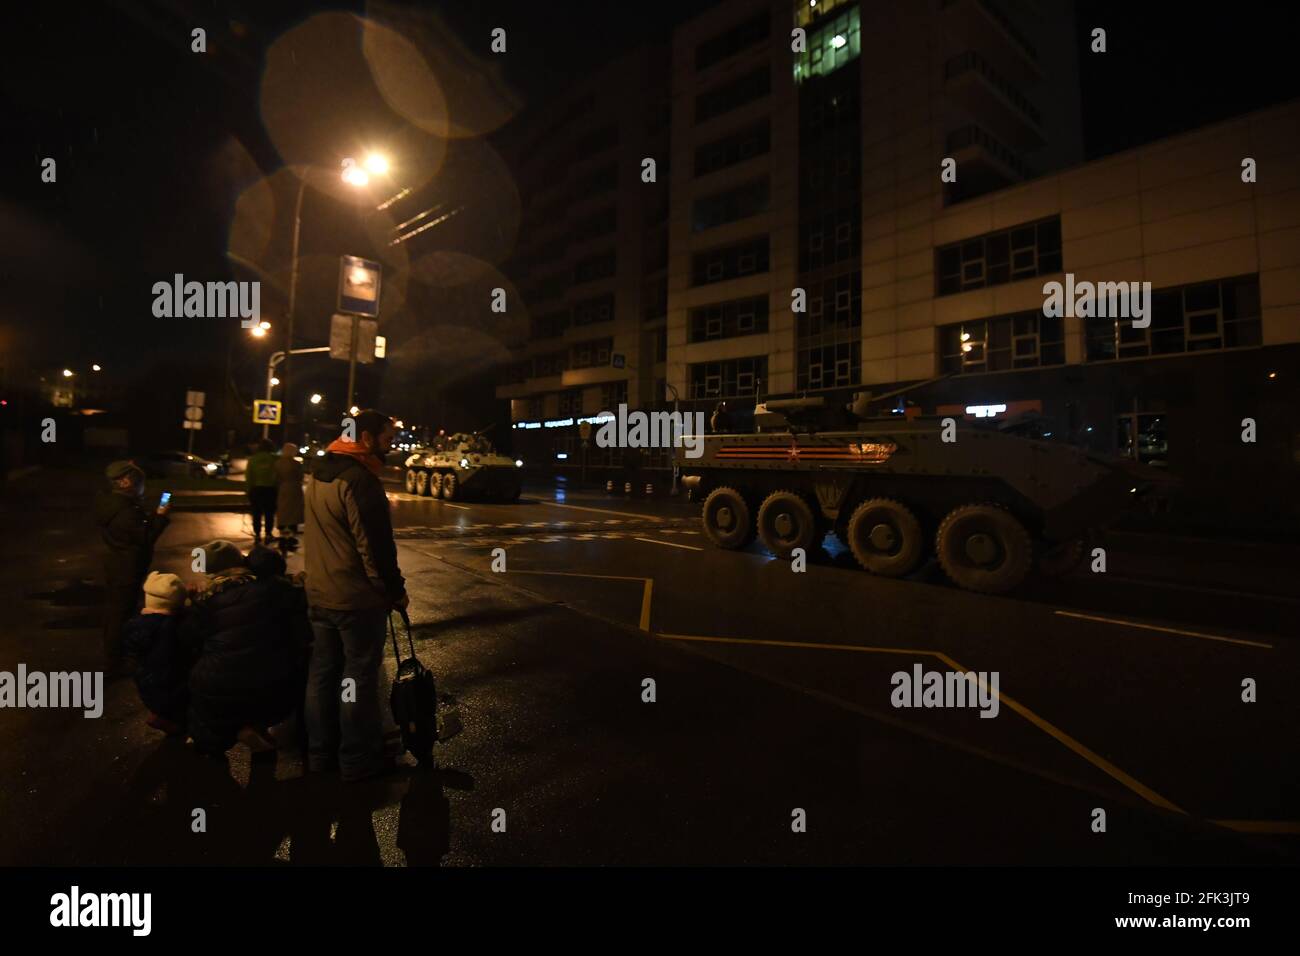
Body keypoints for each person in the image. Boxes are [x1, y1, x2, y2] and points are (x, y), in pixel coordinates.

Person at [303, 409, 412, 782]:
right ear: (366, 439)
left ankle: (319, 754)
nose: (391, 444)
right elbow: (375, 549)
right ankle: (356, 759)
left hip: (318, 594)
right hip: (354, 601)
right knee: (356, 679)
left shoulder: (319, 473)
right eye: (386, 437)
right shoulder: (360, 482)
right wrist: (394, 592)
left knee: (321, 675)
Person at [183, 540, 312, 756]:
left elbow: (188, 640)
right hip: (274, 681)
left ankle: (215, 739)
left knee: (208, 676)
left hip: (217, 686)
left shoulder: (204, 601)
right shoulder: (273, 588)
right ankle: (254, 725)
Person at [96, 460, 171, 673]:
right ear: (127, 482)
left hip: (117, 564)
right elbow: (146, 537)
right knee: (120, 614)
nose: (142, 487)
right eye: (139, 482)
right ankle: (114, 662)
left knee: (115, 612)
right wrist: (160, 516)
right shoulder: (125, 511)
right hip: (126, 568)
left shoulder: (111, 502)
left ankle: (115, 655)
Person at [122, 572, 192, 735]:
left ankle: (162, 715)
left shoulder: (135, 625)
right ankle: (173, 722)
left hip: (147, 685)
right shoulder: (173, 627)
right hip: (174, 688)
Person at [245, 439, 278, 545]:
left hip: (256, 489)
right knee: (269, 512)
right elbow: (278, 475)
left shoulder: (253, 459)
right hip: (270, 489)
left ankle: (257, 534)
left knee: (256, 513)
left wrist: (248, 490)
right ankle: (268, 533)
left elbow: (249, 476)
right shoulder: (274, 459)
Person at [274, 442, 305, 551]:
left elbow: (276, 477)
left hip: (283, 488)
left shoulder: (278, 463)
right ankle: (291, 535)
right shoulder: (296, 464)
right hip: (294, 489)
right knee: (294, 512)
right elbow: (300, 476)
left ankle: (283, 534)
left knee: (283, 511)